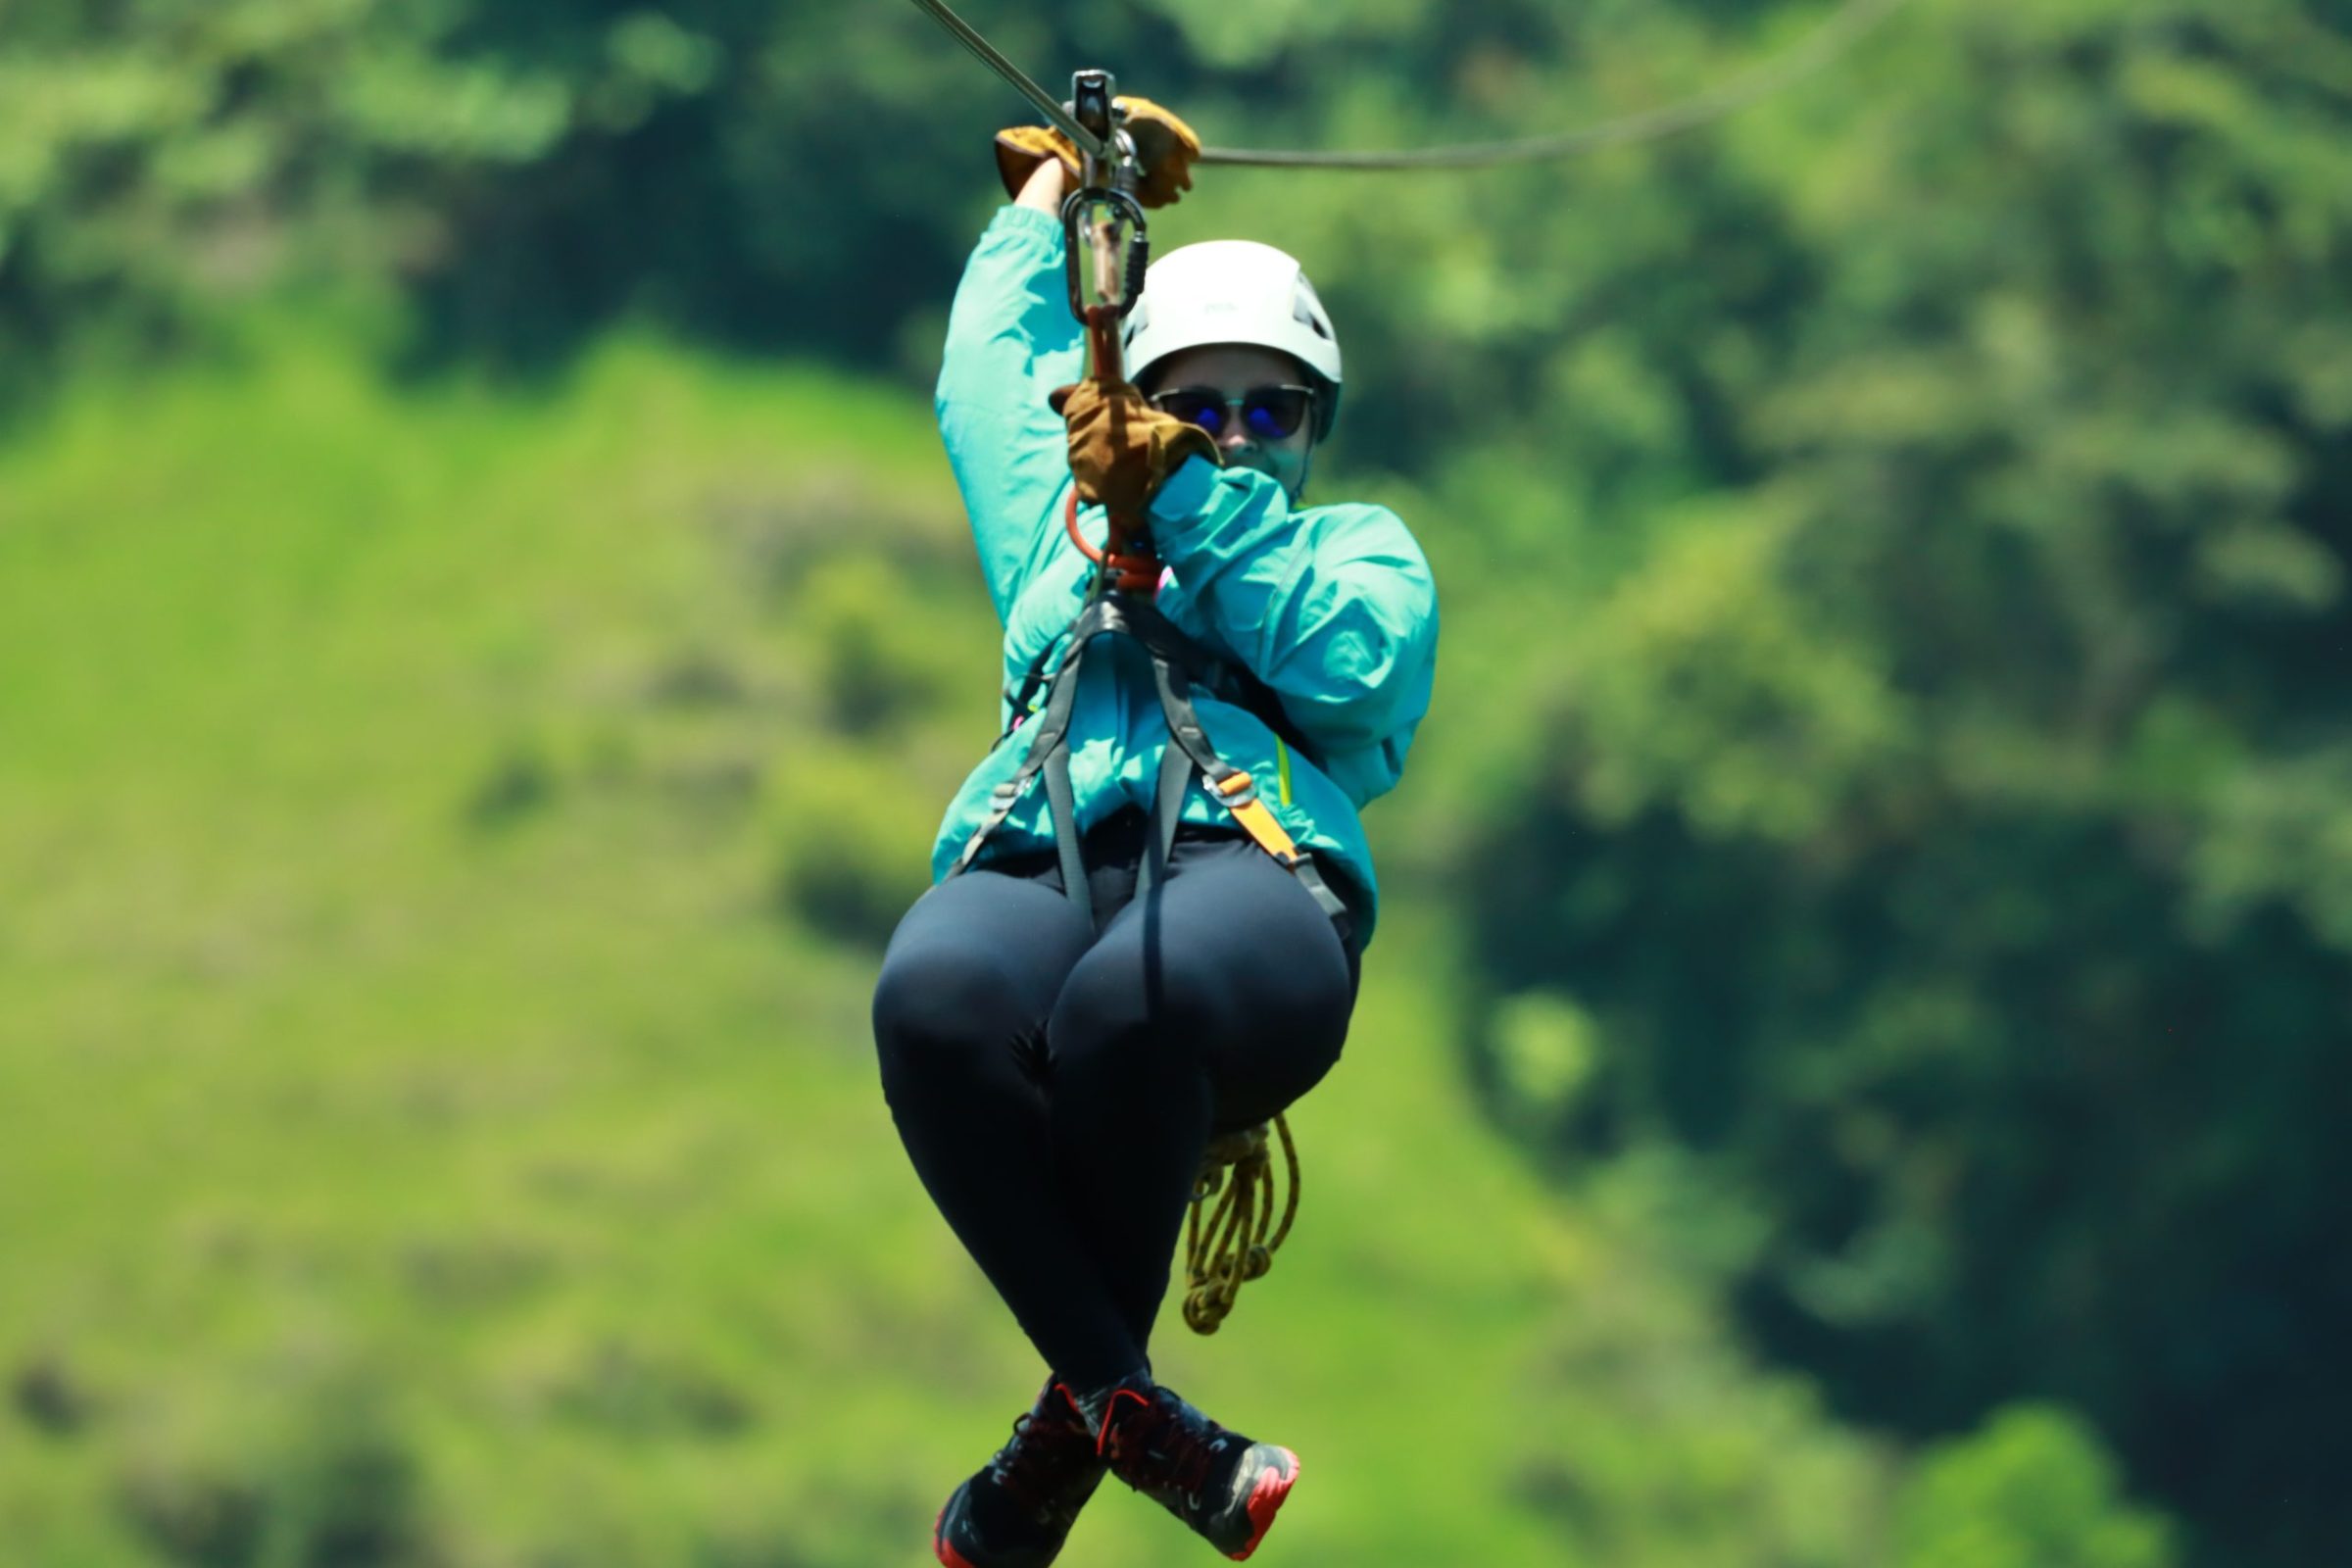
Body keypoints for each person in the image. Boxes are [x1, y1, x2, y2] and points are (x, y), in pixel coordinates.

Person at [871, 100, 1439, 1566]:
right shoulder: (1059, 514)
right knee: (933, 994)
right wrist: (1059, 196)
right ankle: (1117, 1415)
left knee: (1139, 997)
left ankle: (1071, 1426)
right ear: (1144, 392)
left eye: (1274, 411)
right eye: (1203, 403)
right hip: (1045, 857)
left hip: (1251, 888)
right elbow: (985, 367)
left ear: (1313, 430)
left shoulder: (1351, 551)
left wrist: (1182, 494)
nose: (1239, 435)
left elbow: (1352, 669)